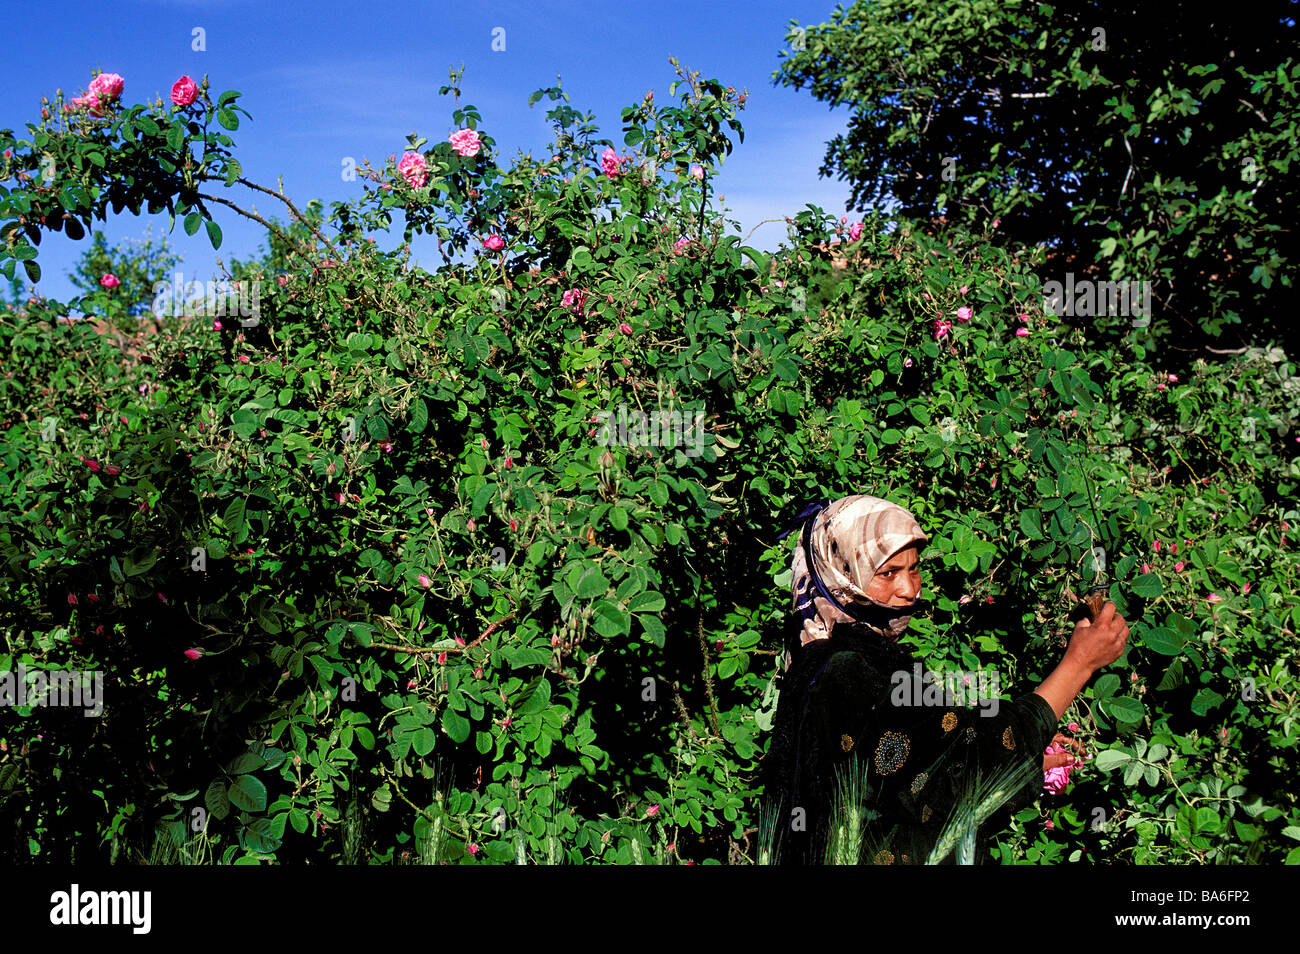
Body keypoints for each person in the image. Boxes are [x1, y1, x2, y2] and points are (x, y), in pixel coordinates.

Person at [758, 495, 1130, 864]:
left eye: (914, 569)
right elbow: (956, 771)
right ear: (840, 574)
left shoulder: (835, 659)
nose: (909, 589)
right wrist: (1077, 665)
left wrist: (1030, 758)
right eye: (887, 573)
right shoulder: (846, 669)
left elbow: (927, 759)